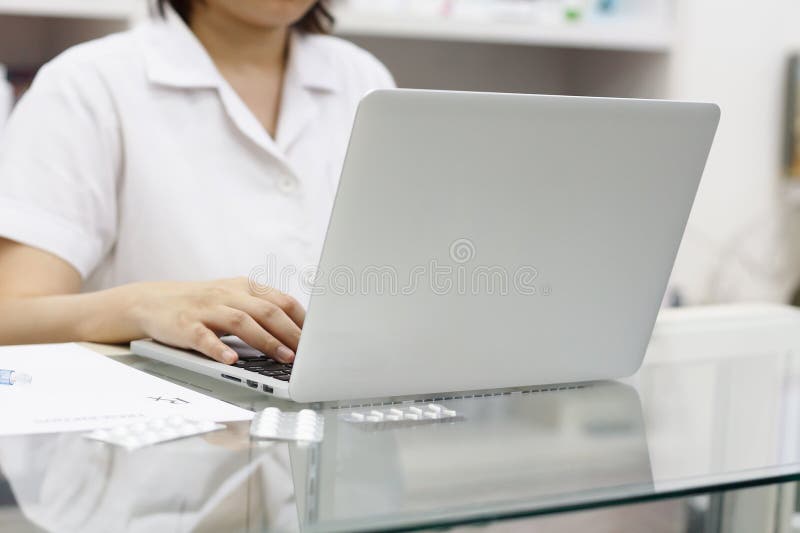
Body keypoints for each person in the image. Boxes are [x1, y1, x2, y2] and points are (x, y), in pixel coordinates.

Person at [0, 0, 394, 364]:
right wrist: (143, 305)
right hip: (160, 415)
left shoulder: (363, 78)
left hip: (349, 398)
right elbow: (11, 316)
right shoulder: (88, 83)